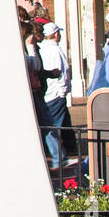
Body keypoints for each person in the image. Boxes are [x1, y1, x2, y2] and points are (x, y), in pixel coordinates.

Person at [37, 21, 71, 170]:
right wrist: (62, 91)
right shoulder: (55, 50)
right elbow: (61, 72)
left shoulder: (43, 49)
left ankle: (59, 157)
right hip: (55, 93)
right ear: (56, 34)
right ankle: (59, 159)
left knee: (52, 126)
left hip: (49, 92)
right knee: (52, 127)